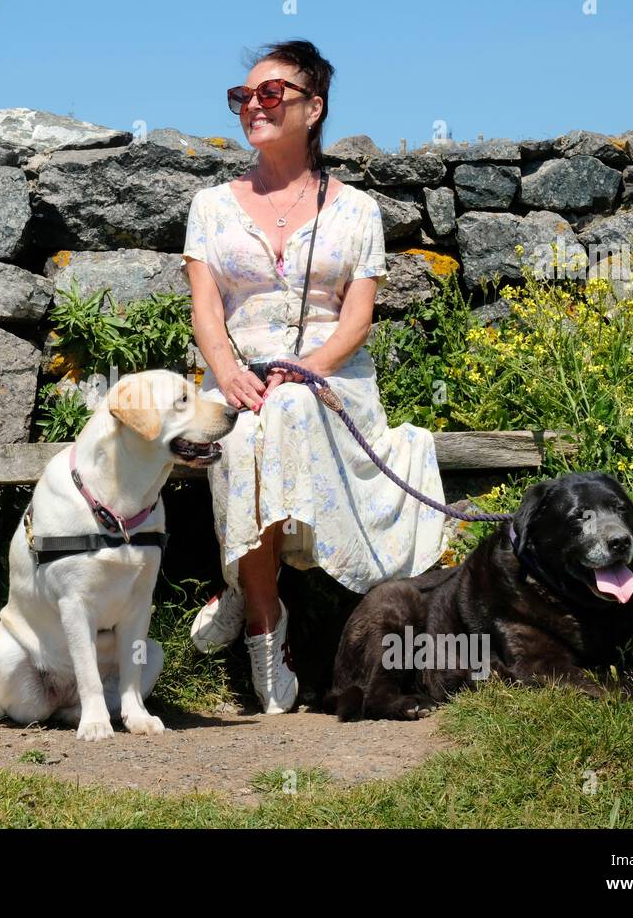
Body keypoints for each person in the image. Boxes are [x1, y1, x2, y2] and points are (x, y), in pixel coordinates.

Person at [181, 39, 451, 714]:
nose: (253, 105)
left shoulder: (356, 210)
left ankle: (244, 595)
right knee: (241, 435)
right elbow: (207, 312)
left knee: (293, 410)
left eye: (270, 93)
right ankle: (268, 634)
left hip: (331, 378)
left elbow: (357, 320)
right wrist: (231, 373)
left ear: (314, 106)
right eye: (242, 95)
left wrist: (304, 370)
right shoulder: (210, 207)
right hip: (239, 379)